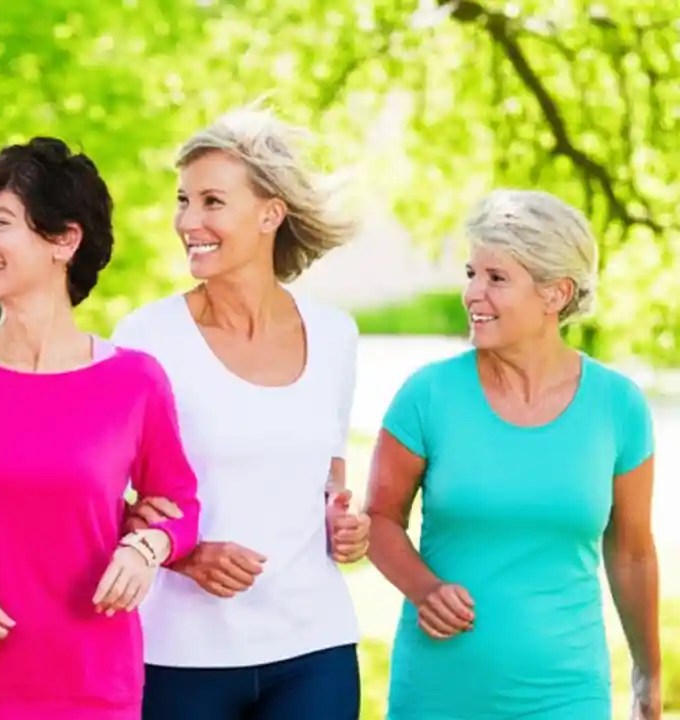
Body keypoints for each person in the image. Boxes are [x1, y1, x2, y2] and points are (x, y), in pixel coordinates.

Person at [0, 137, 201, 719]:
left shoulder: (135, 380)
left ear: (64, 239)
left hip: (93, 682)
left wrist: (145, 548)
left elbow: (177, 503)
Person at [113, 106, 372, 720]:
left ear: (269, 214)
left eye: (211, 202)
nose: (188, 222)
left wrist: (347, 526)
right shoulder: (147, 338)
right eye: (183, 201)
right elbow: (96, 495)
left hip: (315, 647)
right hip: (180, 653)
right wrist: (184, 552)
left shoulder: (335, 334)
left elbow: (329, 481)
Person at [365, 189, 661, 719]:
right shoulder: (428, 395)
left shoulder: (618, 406)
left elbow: (633, 552)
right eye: (471, 273)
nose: (473, 294)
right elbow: (381, 519)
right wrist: (424, 587)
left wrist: (648, 673)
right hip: (439, 692)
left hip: (566, 695)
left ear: (555, 293)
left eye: (496, 279)